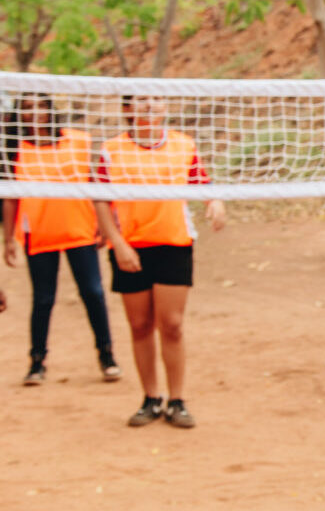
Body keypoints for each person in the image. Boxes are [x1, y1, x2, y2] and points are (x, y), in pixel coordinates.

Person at [93, 95, 229, 429]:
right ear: (127, 108)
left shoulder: (183, 144)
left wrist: (215, 201)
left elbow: (201, 183)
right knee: (140, 325)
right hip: (130, 246)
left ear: (165, 106)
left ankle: (177, 400)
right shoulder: (111, 149)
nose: (149, 105)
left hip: (173, 243)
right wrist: (117, 243)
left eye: (156, 99)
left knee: (172, 324)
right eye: (141, 100)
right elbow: (100, 200)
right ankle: (150, 398)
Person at [3, 93, 120, 385]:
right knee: (43, 298)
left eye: (41, 105)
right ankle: (37, 362)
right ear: (19, 114)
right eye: (27, 107)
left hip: (79, 228)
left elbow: (96, 182)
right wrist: (8, 239)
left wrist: (106, 223)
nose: (35, 112)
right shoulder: (15, 149)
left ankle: (107, 355)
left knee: (92, 292)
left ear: (50, 108)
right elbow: (10, 196)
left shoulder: (77, 141)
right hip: (39, 233)